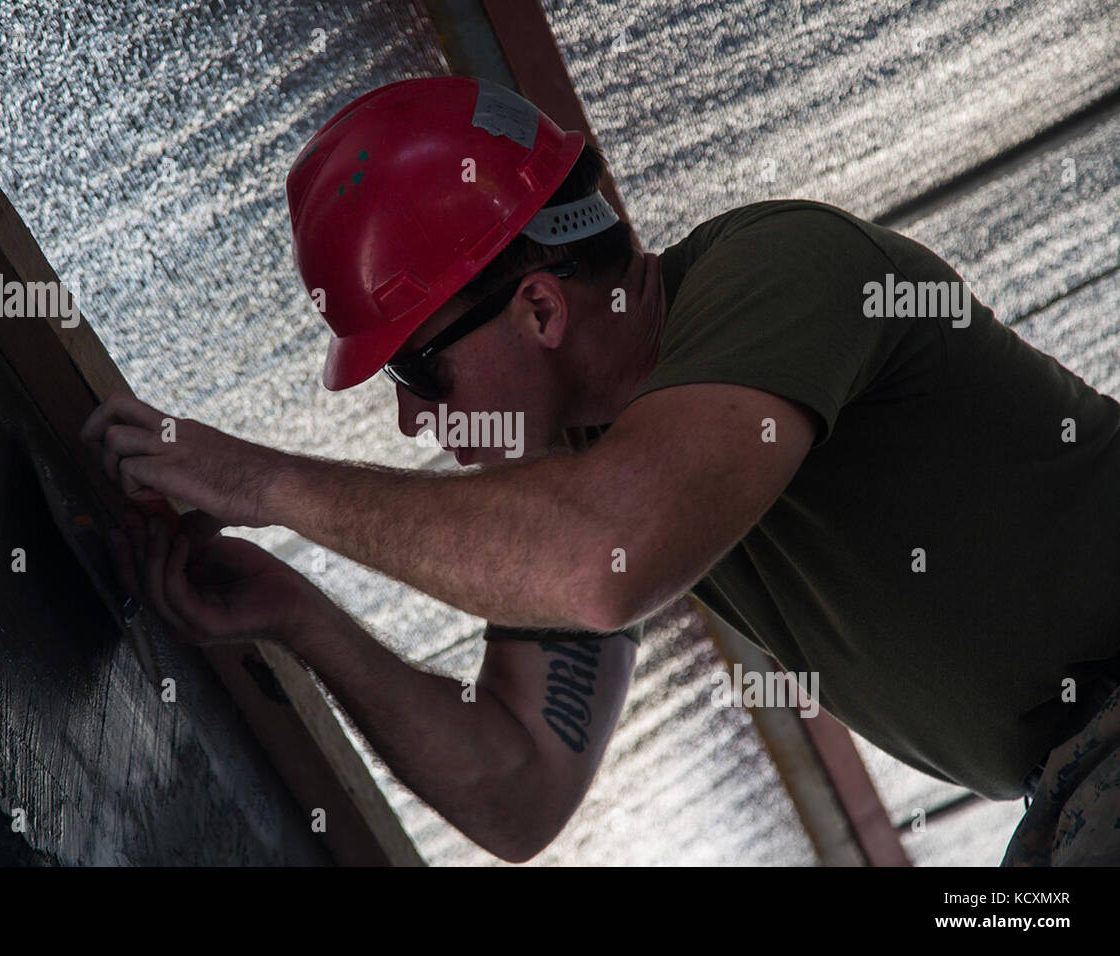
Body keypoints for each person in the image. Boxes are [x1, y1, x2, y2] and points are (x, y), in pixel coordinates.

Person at [81, 76, 1120, 865]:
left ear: (539, 307)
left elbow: (600, 559)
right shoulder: (586, 469)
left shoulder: (780, 271)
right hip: (1069, 785)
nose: (408, 416)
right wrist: (297, 614)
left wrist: (260, 484)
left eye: (417, 367)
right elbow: (520, 788)